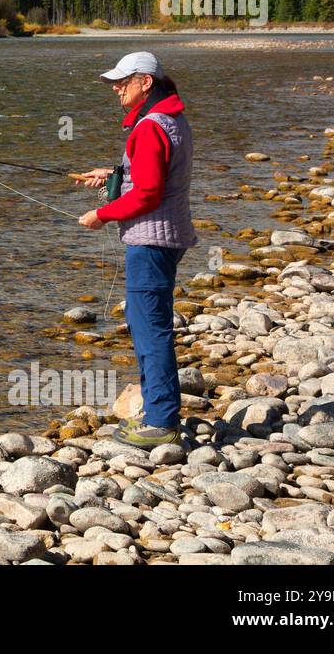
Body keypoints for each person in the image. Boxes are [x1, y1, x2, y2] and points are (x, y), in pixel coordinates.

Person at [72, 52, 196, 449]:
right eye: (114, 81)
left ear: (146, 82)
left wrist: (102, 214)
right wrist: (114, 174)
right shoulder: (170, 118)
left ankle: (161, 421)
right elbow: (152, 175)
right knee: (147, 324)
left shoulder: (150, 126)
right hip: (166, 236)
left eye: (122, 81)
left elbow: (148, 193)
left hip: (151, 241)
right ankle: (158, 412)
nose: (115, 87)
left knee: (149, 329)